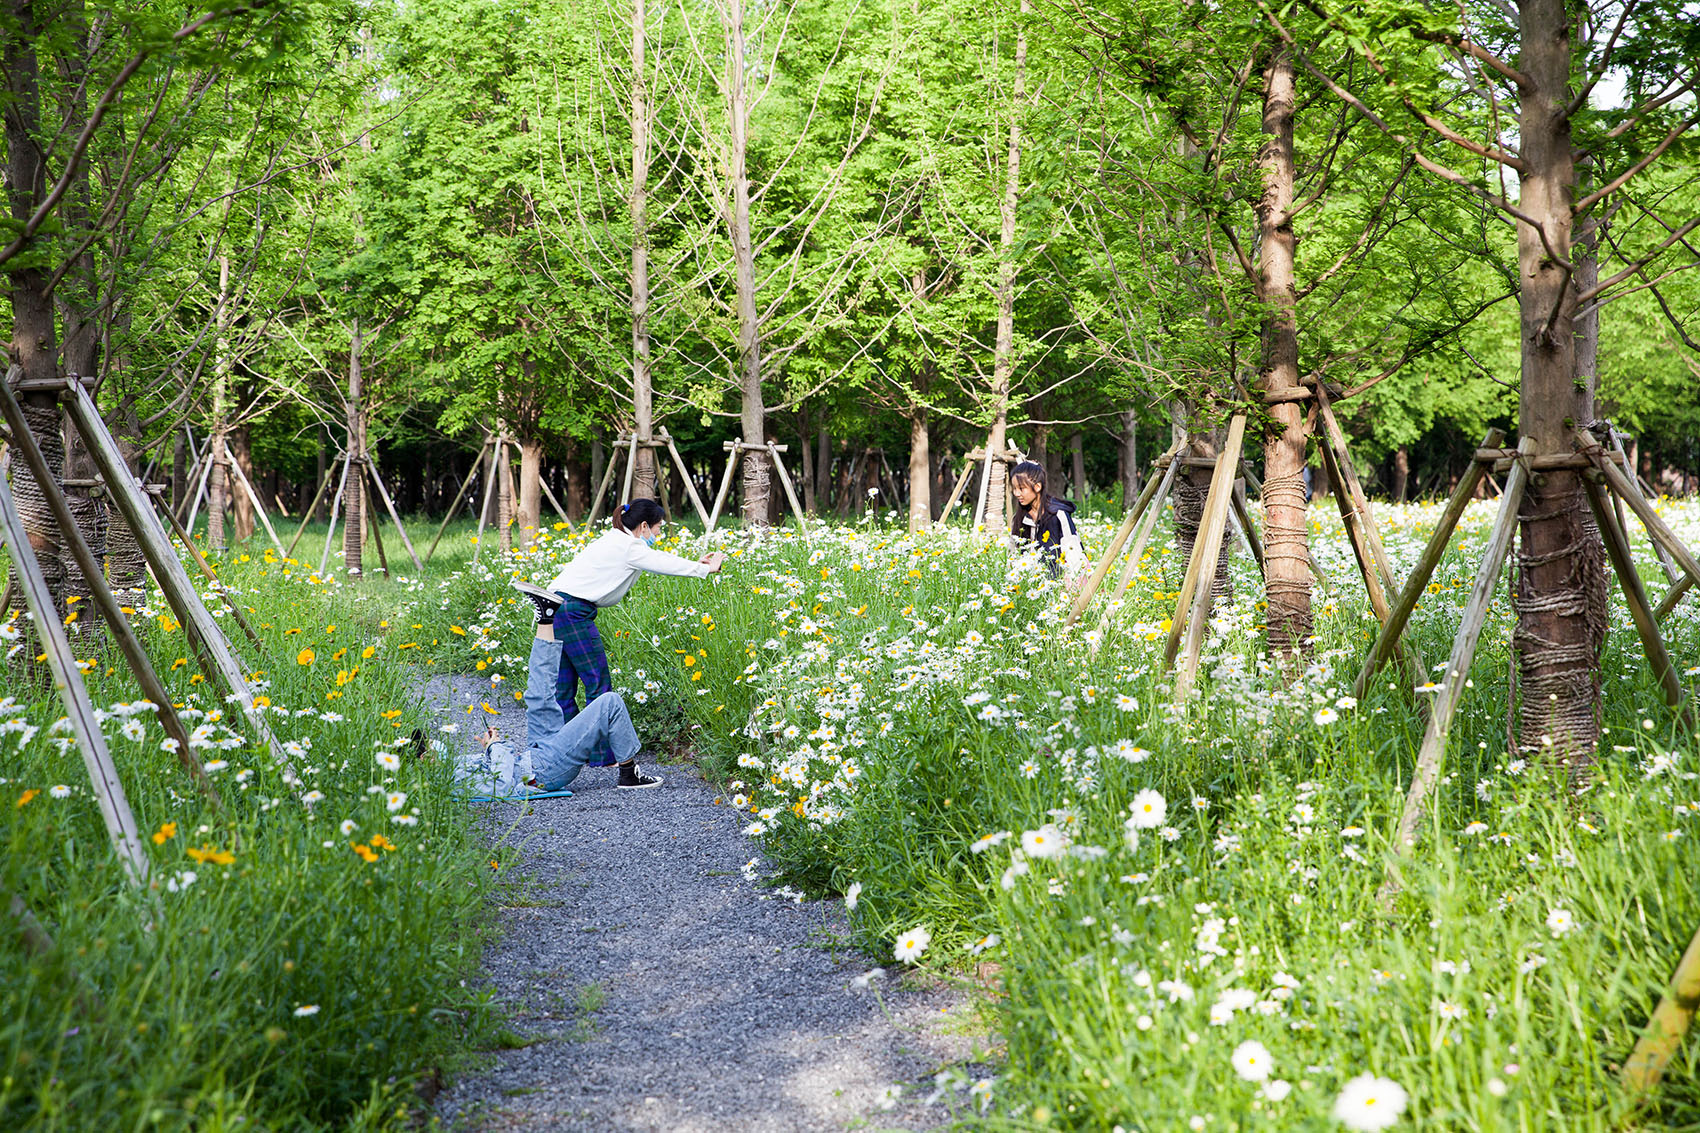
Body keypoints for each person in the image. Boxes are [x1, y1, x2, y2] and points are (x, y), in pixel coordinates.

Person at [510, 498, 724, 789]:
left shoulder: (614, 539)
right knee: (598, 682)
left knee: (562, 688)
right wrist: (707, 569)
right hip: (574, 613)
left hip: (557, 608)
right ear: (644, 526)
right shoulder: (630, 546)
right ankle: (603, 757)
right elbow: (663, 563)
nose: (658, 536)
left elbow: (659, 557)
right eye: (658, 529)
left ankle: (565, 752)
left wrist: (694, 564)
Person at [476, 690, 645, 794]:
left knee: (542, 691)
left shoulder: (452, 772)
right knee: (610, 702)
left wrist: (490, 750)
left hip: (531, 756)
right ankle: (629, 775)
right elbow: (500, 783)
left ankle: (545, 630)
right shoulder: (454, 779)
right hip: (540, 768)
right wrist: (495, 746)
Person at [1008, 460, 1086, 580]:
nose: (1016, 493)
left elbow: (1074, 552)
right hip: (1030, 584)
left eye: (1021, 488)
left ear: (1037, 487)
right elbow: (1013, 554)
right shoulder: (1019, 519)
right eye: (1014, 489)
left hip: (1061, 583)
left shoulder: (1058, 515)